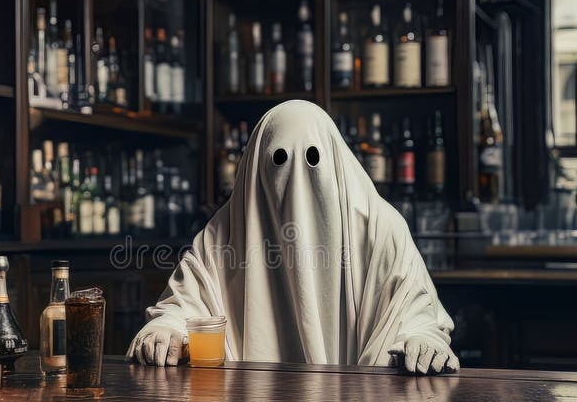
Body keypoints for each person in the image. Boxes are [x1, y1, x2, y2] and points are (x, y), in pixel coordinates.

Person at [127, 100, 459, 375]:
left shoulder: (380, 226)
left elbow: (414, 309)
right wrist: (167, 329)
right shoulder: (220, 236)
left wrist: (422, 338)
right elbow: (185, 306)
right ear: (257, 169)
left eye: (313, 159)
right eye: (279, 160)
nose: (296, 186)